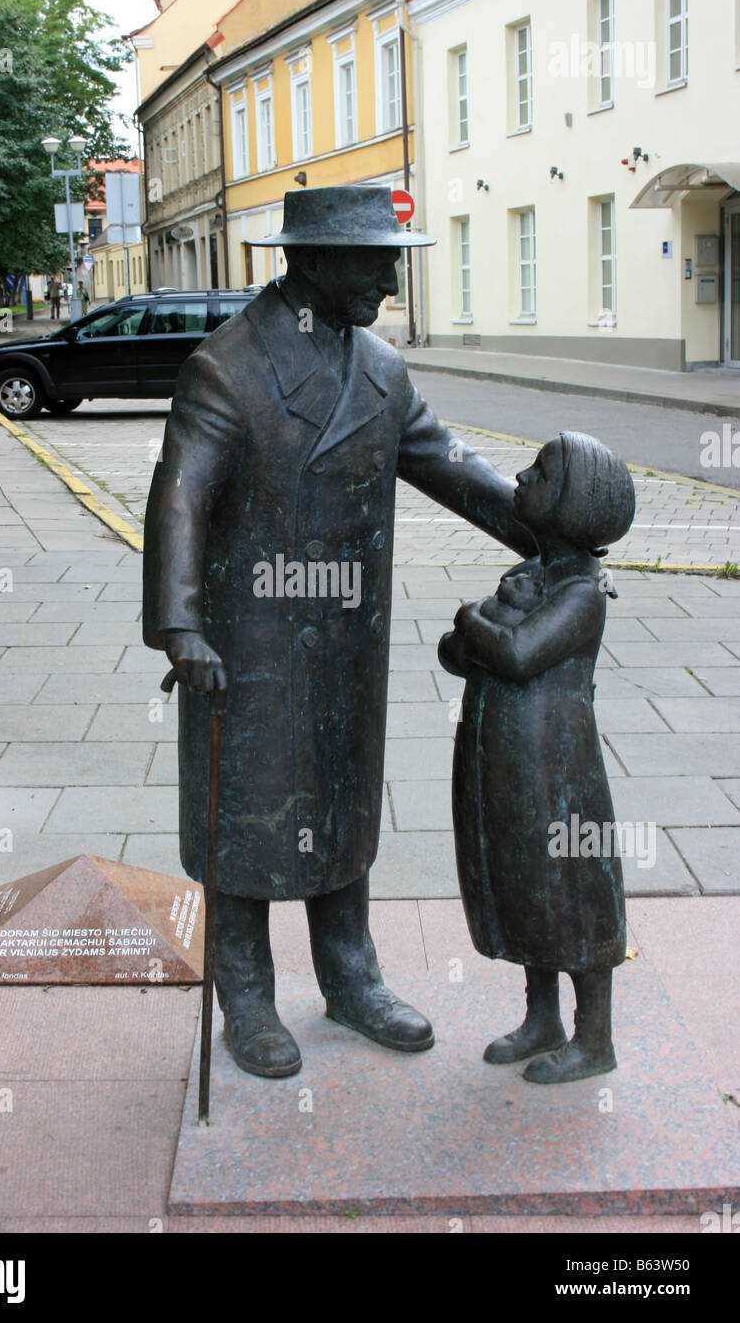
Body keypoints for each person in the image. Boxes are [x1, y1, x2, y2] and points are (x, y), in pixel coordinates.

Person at [143, 186, 536, 1079]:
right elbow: (180, 499)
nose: (391, 280)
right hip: (247, 648)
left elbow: (451, 467)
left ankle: (350, 976)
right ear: (312, 261)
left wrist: (553, 528)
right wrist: (180, 626)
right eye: (374, 260)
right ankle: (245, 994)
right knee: (245, 823)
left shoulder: (384, 371)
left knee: (339, 807)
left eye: (393, 259)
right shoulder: (229, 368)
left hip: (346, 644)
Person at [438, 432, 636, 1083]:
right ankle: (541, 1017)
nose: (521, 476)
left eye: (542, 472)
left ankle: (595, 1037)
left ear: (575, 502)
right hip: (502, 762)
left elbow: (518, 655)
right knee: (524, 885)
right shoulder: (528, 575)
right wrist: (477, 632)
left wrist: (476, 619)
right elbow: (456, 654)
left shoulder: (581, 591)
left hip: (557, 771)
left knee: (571, 892)